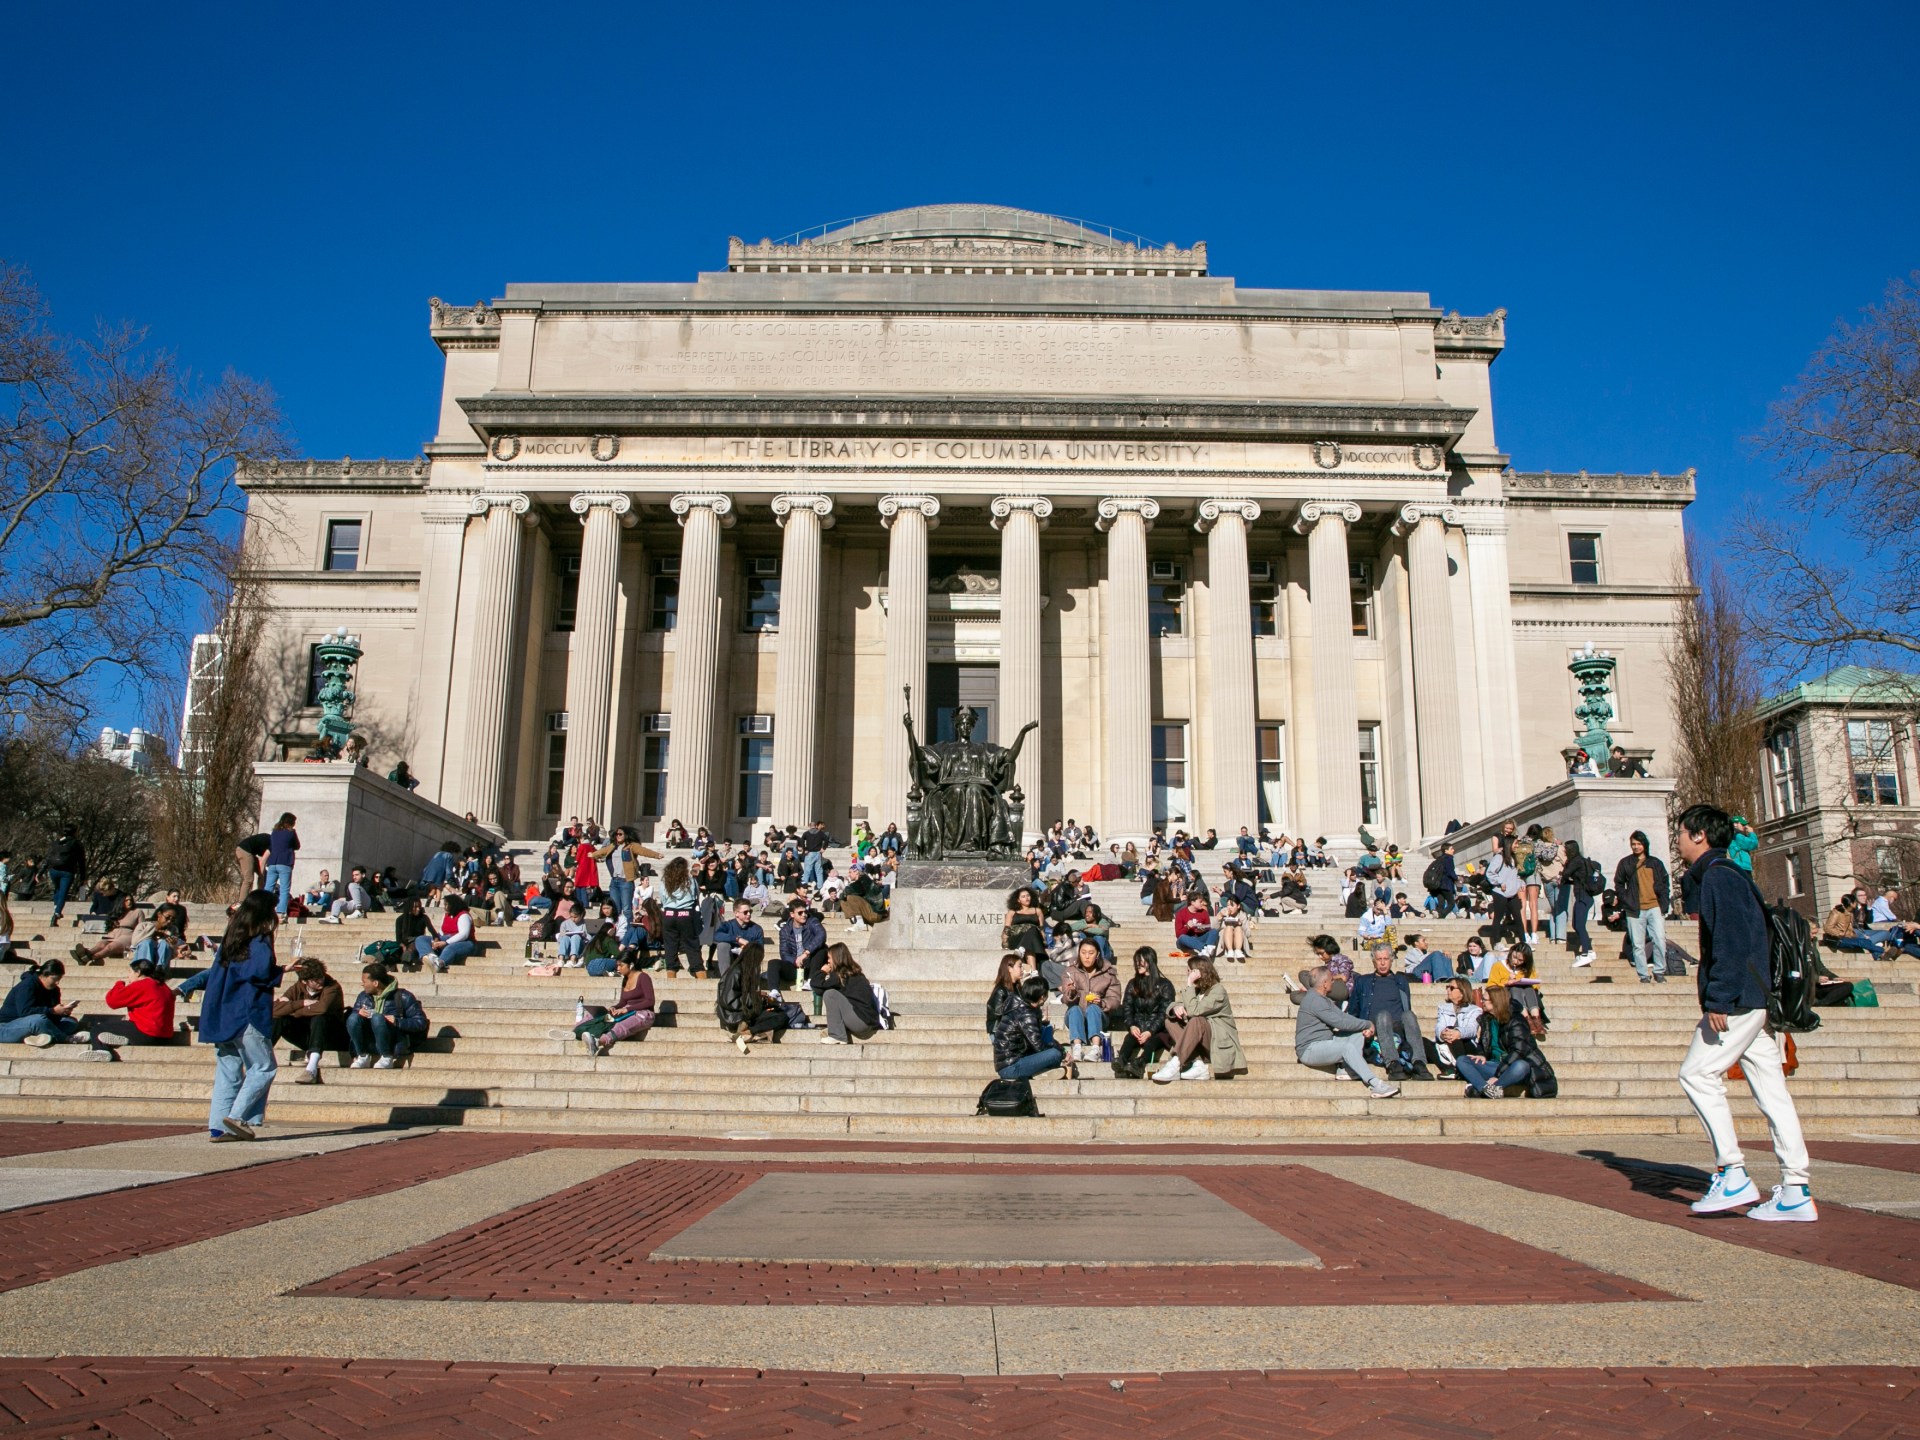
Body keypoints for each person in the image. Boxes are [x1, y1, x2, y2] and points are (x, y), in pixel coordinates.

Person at [1670, 804, 1816, 1220]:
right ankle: (1795, 1187)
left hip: (1739, 1001)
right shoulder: (1732, 874)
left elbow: (1732, 942)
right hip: (1754, 998)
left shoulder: (1718, 876)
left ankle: (1732, 1171)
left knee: (1696, 1074)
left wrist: (1719, 999)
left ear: (1699, 835)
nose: (1678, 840)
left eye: (1681, 832)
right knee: (1773, 1093)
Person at [200, 892, 284, 1139]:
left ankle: (218, 1126)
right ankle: (236, 1117)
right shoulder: (259, 938)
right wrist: (279, 971)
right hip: (246, 1011)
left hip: (223, 1011)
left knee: (229, 1068)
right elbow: (258, 972)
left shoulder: (231, 938)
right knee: (264, 1066)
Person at [1294, 964, 1399, 1098]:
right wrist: (1367, 1023)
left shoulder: (1323, 999)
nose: (1334, 982)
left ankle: (1346, 1069)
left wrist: (1365, 1026)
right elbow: (1340, 1023)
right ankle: (1375, 1084)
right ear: (1325, 984)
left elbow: (1343, 1016)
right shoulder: (1315, 1000)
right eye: (1332, 979)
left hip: (1324, 1041)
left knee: (1357, 1033)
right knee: (1347, 1047)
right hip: (1309, 1049)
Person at [1348, 944, 1437, 1080]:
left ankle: (1419, 1063)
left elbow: (1407, 1006)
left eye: (1386, 959)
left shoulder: (1401, 981)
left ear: (1391, 960)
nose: (1382, 963)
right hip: (1374, 1028)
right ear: (1373, 961)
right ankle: (1392, 1063)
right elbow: (1353, 1011)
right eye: (1379, 959)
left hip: (1398, 1029)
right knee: (1383, 1015)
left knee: (1409, 1015)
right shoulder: (1363, 981)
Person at [1154, 956, 1243, 1082]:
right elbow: (1178, 1005)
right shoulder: (1197, 991)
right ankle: (1197, 1062)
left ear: (1199, 972)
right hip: (1201, 1042)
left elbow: (1194, 1011)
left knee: (1197, 1021)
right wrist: (1176, 1008)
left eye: (1190, 970)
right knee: (1171, 1021)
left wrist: (1189, 984)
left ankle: (1176, 1062)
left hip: (1216, 1045)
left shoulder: (1218, 991)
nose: (1187, 973)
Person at [1454, 983, 1547, 1098]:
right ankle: (1486, 1089)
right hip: (1493, 1065)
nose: (1481, 1001)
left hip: (1510, 1068)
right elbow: (1483, 1044)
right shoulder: (1486, 1019)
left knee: (1522, 1066)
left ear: (1495, 1001)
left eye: (1484, 999)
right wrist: (1481, 1054)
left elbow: (1519, 1052)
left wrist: (1498, 1075)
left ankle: (1486, 1089)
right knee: (1462, 1060)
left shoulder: (1516, 1020)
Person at [0, 960, 102, 1053]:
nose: (57, 982)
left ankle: (37, 1037)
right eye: (54, 979)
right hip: (6, 1028)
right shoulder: (27, 986)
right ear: (44, 975)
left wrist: (63, 1012)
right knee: (38, 1020)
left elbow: (52, 1017)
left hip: (36, 1024)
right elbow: (25, 1012)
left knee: (71, 1022)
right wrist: (53, 1010)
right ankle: (66, 1039)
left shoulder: (54, 990)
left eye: (59, 979)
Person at [345, 961, 429, 1069]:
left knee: (377, 1018)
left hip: (393, 1041)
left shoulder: (403, 996)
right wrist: (359, 1014)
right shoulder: (363, 997)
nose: (362, 984)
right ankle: (362, 1056)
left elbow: (420, 1022)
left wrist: (397, 1021)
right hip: (370, 1041)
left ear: (375, 983)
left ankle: (386, 1057)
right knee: (353, 1018)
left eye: (364, 981)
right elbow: (353, 1023)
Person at [272, 958, 344, 1082]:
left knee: (319, 1017)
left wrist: (294, 1010)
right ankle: (260, 1057)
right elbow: (274, 1009)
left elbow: (322, 1008)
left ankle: (311, 1068)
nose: (320, 981)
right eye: (315, 980)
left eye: (321, 977)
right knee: (280, 1019)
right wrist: (303, 1002)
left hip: (331, 1035)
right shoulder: (297, 988)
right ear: (304, 981)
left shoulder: (332, 986)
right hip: (307, 1035)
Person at [1613, 831, 1671, 984]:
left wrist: (1664, 903)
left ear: (1644, 844)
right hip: (1634, 908)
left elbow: (1665, 883)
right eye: (1633, 844)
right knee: (1637, 944)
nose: (1636, 847)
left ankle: (1659, 971)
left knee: (1659, 939)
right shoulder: (1626, 863)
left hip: (1654, 906)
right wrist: (1626, 899)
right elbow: (1618, 883)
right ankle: (1643, 975)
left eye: (1639, 844)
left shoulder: (1655, 863)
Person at [1111, 947, 1176, 1079]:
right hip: (1138, 1026)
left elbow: (1164, 1012)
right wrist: (1132, 1026)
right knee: (1129, 1038)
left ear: (1150, 962)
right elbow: (1127, 1008)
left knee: (1152, 1041)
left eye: (1142, 961)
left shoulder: (1165, 985)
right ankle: (1121, 1060)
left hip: (1158, 1030)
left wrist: (1150, 1031)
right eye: (1136, 961)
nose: (1138, 964)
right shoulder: (1133, 983)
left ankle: (1139, 1063)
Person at [574, 952, 656, 1056]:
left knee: (620, 1025)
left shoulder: (643, 977)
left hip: (644, 1014)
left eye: (621, 965)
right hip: (627, 1011)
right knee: (593, 1015)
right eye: (617, 965)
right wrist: (614, 1008)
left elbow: (650, 1001)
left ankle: (598, 1042)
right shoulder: (625, 979)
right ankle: (576, 1030)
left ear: (631, 965)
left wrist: (628, 1009)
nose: (618, 968)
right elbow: (623, 1002)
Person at [715, 941, 788, 1052]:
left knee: (778, 1012)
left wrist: (758, 996)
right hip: (735, 1017)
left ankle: (748, 1033)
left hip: (743, 1012)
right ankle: (749, 1032)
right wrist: (755, 998)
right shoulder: (736, 972)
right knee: (781, 1017)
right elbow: (729, 1000)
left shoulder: (744, 971)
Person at [992, 974, 1066, 1081]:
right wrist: (1062, 1051)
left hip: (1011, 1063)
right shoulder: (1026, 1014)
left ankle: (1039, 1071)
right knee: (1055, 1054)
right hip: (1011, 1067)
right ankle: (1040, 1072)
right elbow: (1039, 1046)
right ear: (1042, 997)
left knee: (1047, 1030)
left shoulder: (1019, 1007)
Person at [1058, 938, 1122, 1062]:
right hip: (1075, 1016)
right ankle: (1077, 1048)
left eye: (1091, 953)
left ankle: (1096, 1048)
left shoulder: (1108, 973)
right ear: (1079, 953)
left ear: (1097, 954)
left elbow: (1115, 999)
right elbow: (1066, 999)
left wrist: (1102, 1003)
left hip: (1099, 1016)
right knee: (1075, 1009)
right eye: (1083, 952)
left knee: (1093, 1008)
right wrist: (1071, 992)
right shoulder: (1070, 971)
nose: (1087, 957)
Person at [816, 944, 881, 1045]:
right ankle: (839, 1030)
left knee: (830, 994)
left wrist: (822, 972)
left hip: (861, 1022)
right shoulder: (854, 973)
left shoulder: (841, 974)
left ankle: (837, 1035)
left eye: (829, 958)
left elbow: (818, 987)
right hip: (868, 1022)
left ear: (837, 958)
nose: (828, 961)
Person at [656, 857, 701, 976]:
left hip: (669, 914)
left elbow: (663, 898)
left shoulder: (665, 880)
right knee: (692, 946)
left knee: (670, 947)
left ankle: (671, 977)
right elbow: (696, 896)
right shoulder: (690, 880)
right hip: (686, 913)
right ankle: (699, 972)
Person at [1429, 977, 1482, 1077]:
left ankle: (1462, 1069)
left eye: (1452, 988)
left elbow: (1472, 1029)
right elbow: (1440, 1025)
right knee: (1423, 1041)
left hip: (1466, 1046)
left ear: (1462, 992)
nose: (1448, 990)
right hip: (1446, 1043)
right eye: (1447, 987)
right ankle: (1448, 1070)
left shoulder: (1475, 1010)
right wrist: (1442, 1034)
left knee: (1453, 1032)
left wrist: (1458, 1032)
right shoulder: (1443, 1007)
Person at [1562, 840, 1601, 967]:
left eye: (1566, 849)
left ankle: (1586, 952)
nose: (1564, 851)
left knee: (1579, 925)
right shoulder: (1579, 861)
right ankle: (1589, 950)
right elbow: (1576, 879)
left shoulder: (1576, 861)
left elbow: (1566, 874)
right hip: (1583, 896)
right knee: (1575, 924)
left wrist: (1561, 878)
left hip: (1583, 897)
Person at [417, 895, 477, 973]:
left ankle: (439, 963)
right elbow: (441, 932)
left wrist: (446, 943)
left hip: (466, 943)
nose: (444, 907)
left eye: (446, 904)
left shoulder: (464, 915)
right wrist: (436, 941)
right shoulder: (446, 915)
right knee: (421, 939)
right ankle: (431, 957)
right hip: (445, 939)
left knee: (451, 948)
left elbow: (464, 934)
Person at [709, 900, 765, 979]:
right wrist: (737, 939)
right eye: (745, 912)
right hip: (730, 961)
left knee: (755, 950)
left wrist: (747, 947)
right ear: (736, 913)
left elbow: (760, 950)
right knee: (723, 945)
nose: (749, 914)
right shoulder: (727, 925)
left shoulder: (757, 929)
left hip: (748, 961)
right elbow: (717, 935)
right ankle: (726, 980)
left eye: (750, 911)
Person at [45, 826, 86, 927]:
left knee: (57, 890)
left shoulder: (57, 842)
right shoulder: (76, 844)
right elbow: (81, 861)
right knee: (63, 892)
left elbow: (48, 857)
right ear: (75, 832)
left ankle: (56, 907)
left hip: (53, 870)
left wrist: (40, 872)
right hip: (67, 872)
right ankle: (57, 913)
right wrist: (83, 876)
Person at [986, 952, 1034, 1035]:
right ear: (1009, 968)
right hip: (999, 1031)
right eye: (1019, 966)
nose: (1022, 970)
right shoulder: (1001, 990)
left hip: (1014, 1030)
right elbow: (998, 1012)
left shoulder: (1017, 987)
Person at [262, 814, 299, 917]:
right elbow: (297, 845)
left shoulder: (274, 832)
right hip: (285, 862)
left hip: (273, 862)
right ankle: (280, 912)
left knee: (268, 887)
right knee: (284, 889)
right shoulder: (291, 832)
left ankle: (263, 909)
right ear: (291, 822)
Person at [1002, 887, 1047, 960]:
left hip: (1034, 937)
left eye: (1028, 895)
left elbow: (1041, 928)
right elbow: (1007, 929)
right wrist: (1004, 943)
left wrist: (1044, 940)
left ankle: (1032, 968)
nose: (1027, 898)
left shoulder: (1038, 911)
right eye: (1023, 896)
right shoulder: (1012, 912)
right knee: (1032, 934)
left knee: (1032, 931)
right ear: (1018, 900)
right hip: (1017, 938)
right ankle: (1033, 969)